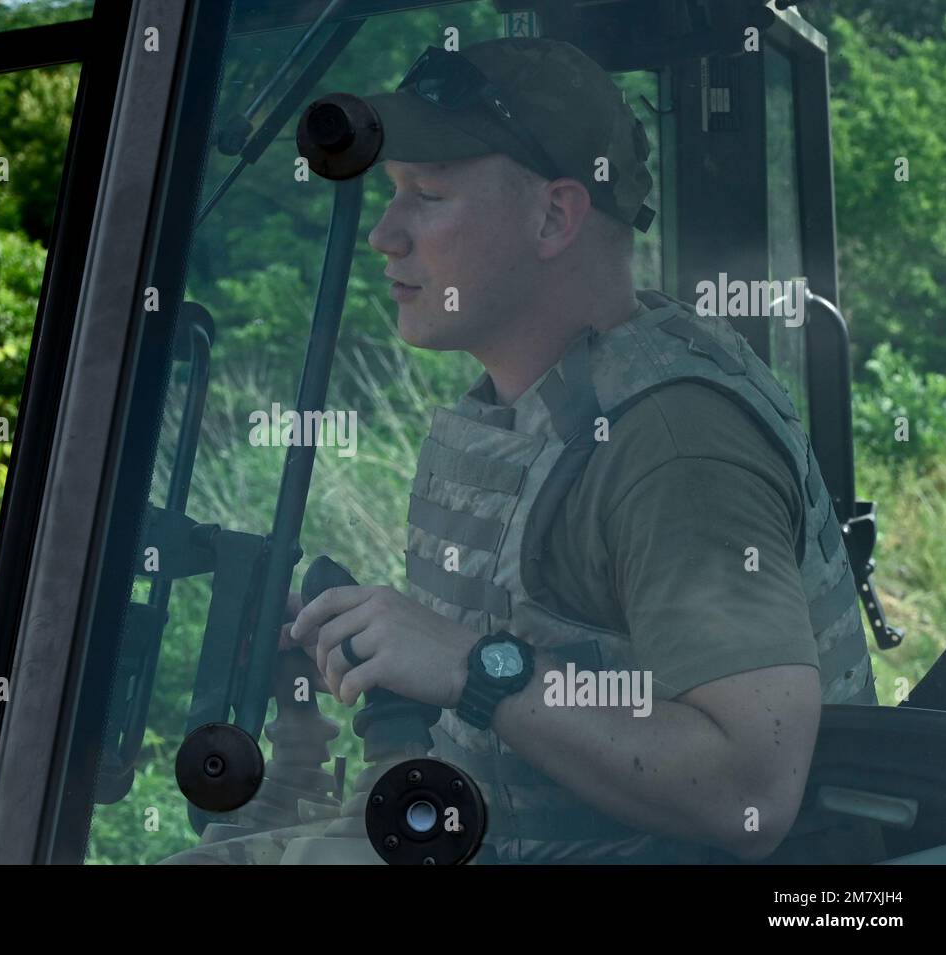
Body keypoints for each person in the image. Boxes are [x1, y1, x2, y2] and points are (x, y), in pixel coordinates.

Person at [165, 36, 878, 865]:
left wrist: (475, 667)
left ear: (554, 216)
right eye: (392, 194)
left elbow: (751, 791)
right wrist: (357, 660)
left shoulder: (674, 446)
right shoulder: (525, 409)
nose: (385, 236)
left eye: (427, 195)